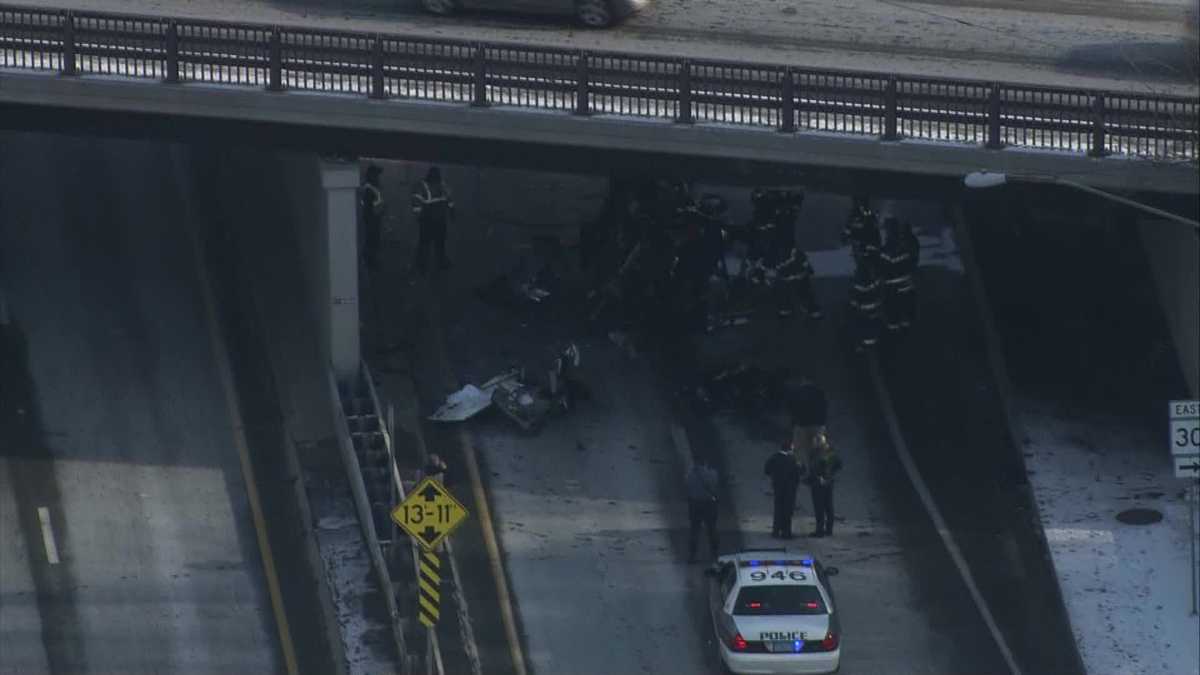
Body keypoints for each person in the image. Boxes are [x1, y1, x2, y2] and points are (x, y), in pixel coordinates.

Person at [411, 166, 455, 274]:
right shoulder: (438, 185)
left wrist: (418, 216)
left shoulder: (426, 185)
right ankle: (426, 264)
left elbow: (449, 199)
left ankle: (427, 264)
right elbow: (449, 200)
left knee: (432, 243)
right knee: (431, 243)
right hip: (433, 220)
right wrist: (452, 212)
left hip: (433, 220)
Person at [802, 432, 843, 537]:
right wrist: (831, 475)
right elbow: (839, 464)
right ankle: (829, 529)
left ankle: (820, 530)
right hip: (828, 482)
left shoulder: (817, 453)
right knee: (828, 506)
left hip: (818, 483)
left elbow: (815, 468)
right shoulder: (830, 452)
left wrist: (819, 477)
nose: (813, 444)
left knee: (819, 507)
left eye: (815, 442)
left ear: (819, 442)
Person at [880, 217, 915, 334]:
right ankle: (905, 330)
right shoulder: (905, 244)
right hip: (905, 284)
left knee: (893, 311)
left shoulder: (888, 248)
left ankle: (895, 332)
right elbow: (911, 263)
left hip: (892, 286)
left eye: (886, 229)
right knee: (905, 309)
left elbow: (886, 265)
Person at [764, 442, 802, 539]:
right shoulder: (793, 459)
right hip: (790, 489)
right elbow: (800, 471)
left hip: (778, 487)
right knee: (788, 510)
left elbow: (766, 470)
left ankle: (776, 531)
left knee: (778, 509)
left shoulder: (774, 457)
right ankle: (786, 532)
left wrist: (774, 476)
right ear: (789, 449)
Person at [685, 458, 720, 562]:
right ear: (706, 462)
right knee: (712, 529)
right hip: (709, 504)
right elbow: (715, 486)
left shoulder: (690, 475)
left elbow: (688, 488)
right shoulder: (712, 473)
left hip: (695, 504)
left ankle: (692, 555)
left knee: (694, 530)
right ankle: (715, 553)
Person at [849, 261, 883, 352]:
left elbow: (853, 299)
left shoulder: (856, 284)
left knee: (860, 325)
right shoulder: (876, 281)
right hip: (873, 309)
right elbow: (880, 294)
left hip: (862, 310)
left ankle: (860, 346)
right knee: (872, 324)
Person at [360, 165, 385, 273]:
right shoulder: (369, 189)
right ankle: (370, 265)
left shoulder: (372, 188)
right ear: (371, 175)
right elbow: (368, 207)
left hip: (373, 220)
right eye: (376, 174)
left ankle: (371, 263)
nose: (378, 177)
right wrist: (376, 215)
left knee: (373, 242)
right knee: (371, 242)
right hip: (371, 221)